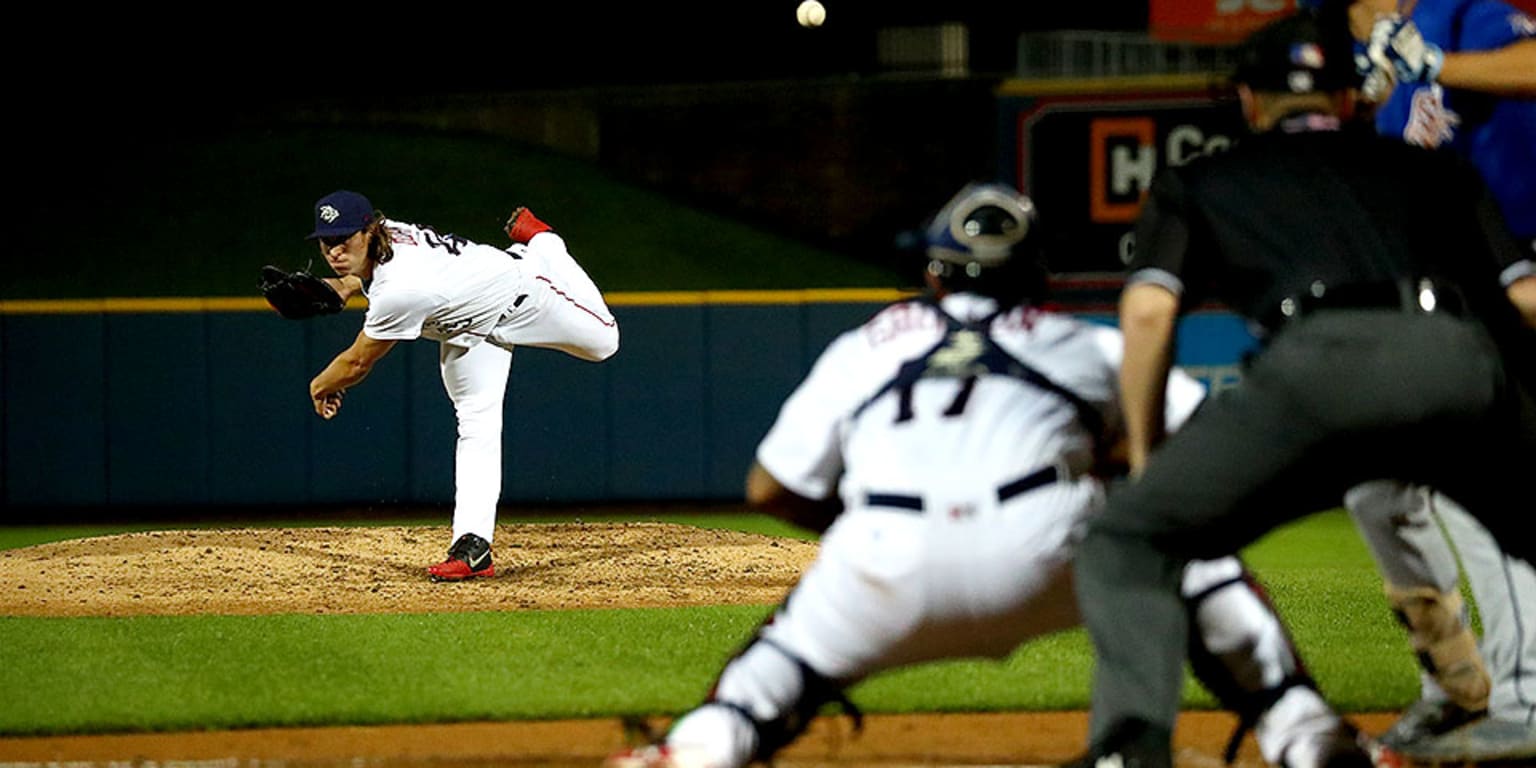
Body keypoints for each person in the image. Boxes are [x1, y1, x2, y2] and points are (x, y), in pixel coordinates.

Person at [605, 183, 1374, 768]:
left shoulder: (869, 343)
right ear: (1037, 274)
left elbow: (769, 488)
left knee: (778, 663)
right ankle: (1303, 731)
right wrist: (1124, 476)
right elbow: (1209, 433)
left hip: (884, 555)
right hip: (1046, 547)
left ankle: (697, 748)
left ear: (936, 273)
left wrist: (858, 531)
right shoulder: (1080, 340)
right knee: (1187, 557)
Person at [1066, 9, 1536, 768]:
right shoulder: (1434, 168)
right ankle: (1475, 686)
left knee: (1129, 540)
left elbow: (1149, 313)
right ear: (1351, 100)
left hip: (1314, 366)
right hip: (1459, 352)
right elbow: (1525, 300)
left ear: (1249, 103)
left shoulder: (1203, 178)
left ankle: (1131, 751)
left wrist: (1148, 458)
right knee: (1460, 509)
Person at [1333, 2, 1536, 760]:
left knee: (1481, 480)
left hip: (1515, 270)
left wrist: (1436, 63)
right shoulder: (1380, 57)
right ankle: (1455, 688)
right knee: (1378, 489)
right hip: (1435, 281)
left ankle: (1528, 696)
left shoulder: (1465, 12)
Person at [302, 190, 619, 581]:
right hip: (469, 328)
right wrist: (343, 286)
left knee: (605, 342)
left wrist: (319, 385)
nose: (333, 250)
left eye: (344, 238)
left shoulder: (401, 289)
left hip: (524, 292)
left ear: (369, 230)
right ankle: (473, 545)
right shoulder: (388, 235)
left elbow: (356, 362)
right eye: (326, 240)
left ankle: (543, 241)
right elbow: (371, 274)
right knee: (476, 426)